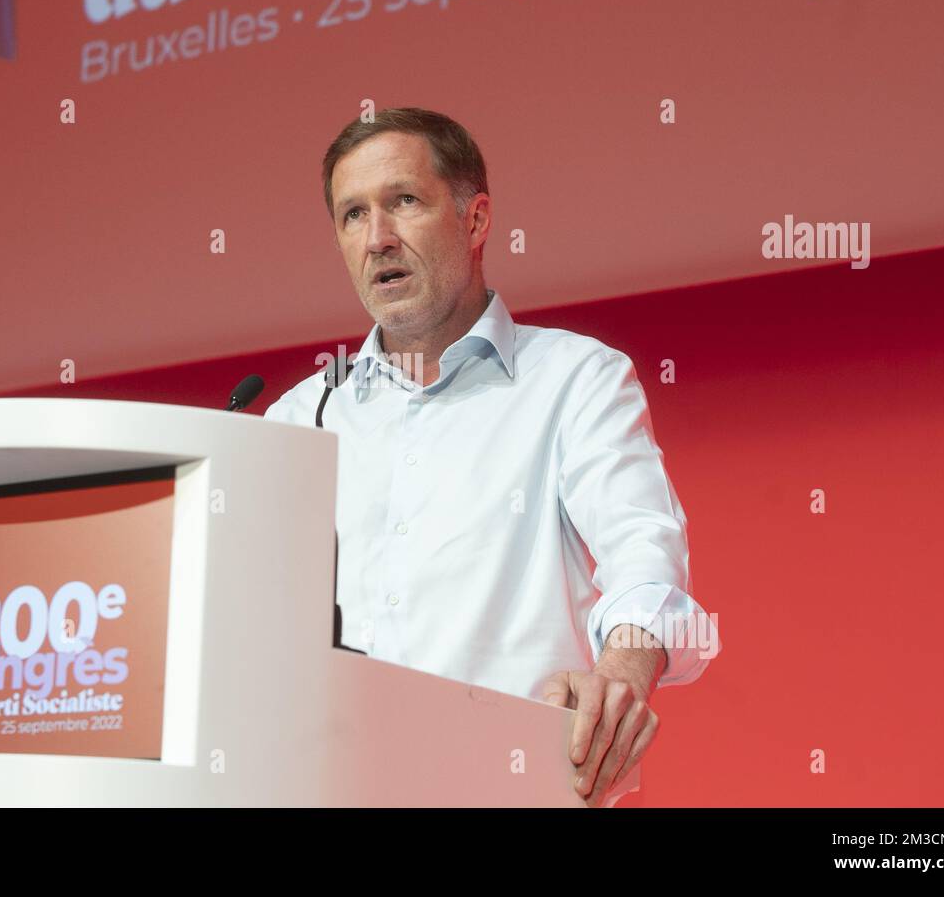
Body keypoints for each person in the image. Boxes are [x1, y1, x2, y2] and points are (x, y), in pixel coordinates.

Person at [263, 108, 721, 806]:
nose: (378, 238)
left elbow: (642, 550)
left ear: (475, 220)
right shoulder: (299, 418)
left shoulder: (574, 380)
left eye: (403, 202)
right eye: (352, 216)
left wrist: (621, 671)